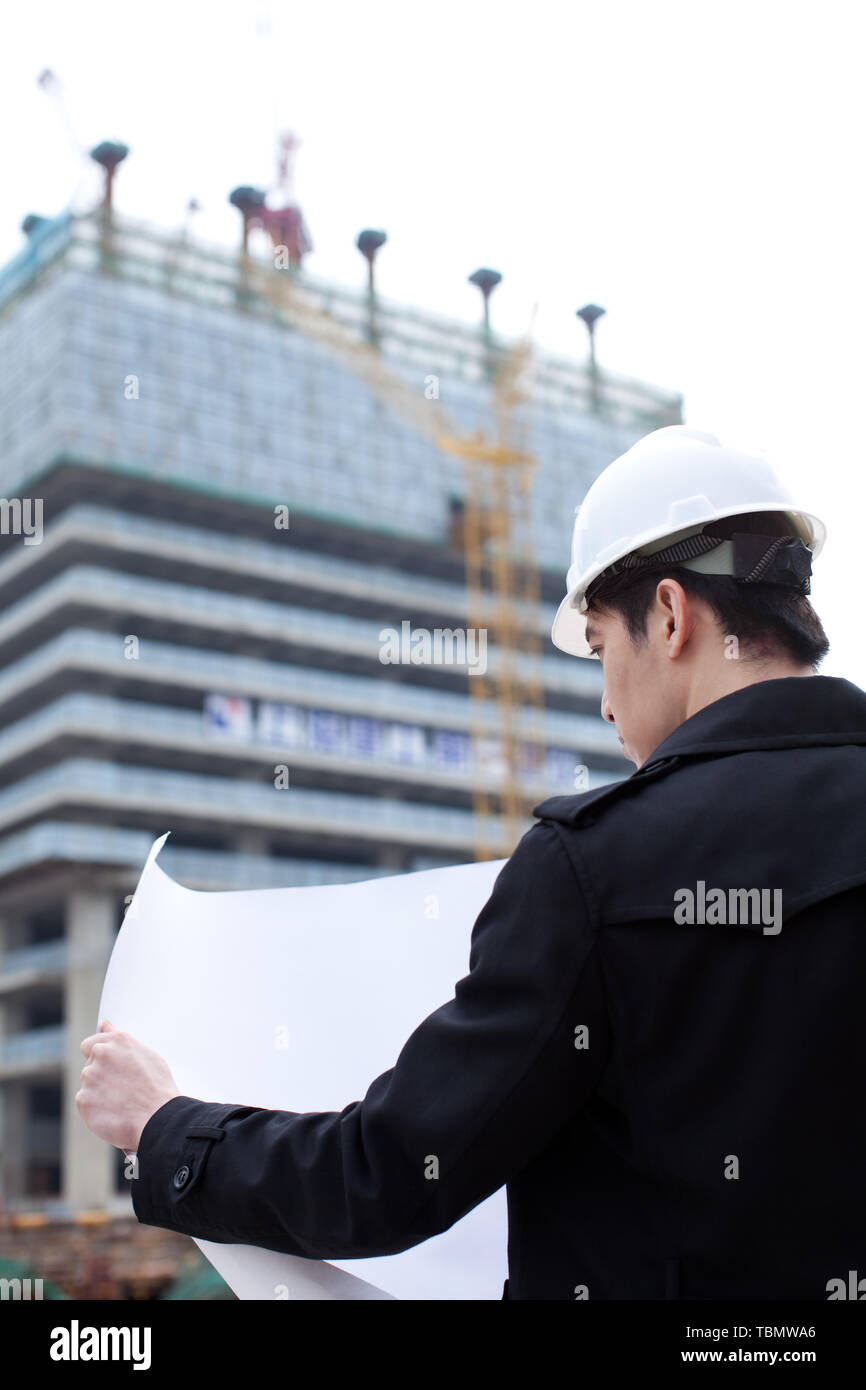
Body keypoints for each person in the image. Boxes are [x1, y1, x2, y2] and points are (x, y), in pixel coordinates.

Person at [78, 425, 866, 1299]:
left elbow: (386, 1175)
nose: (607, 707)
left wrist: (164, 1128)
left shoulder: (595, 866)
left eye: (603, 650)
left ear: (673, 617)